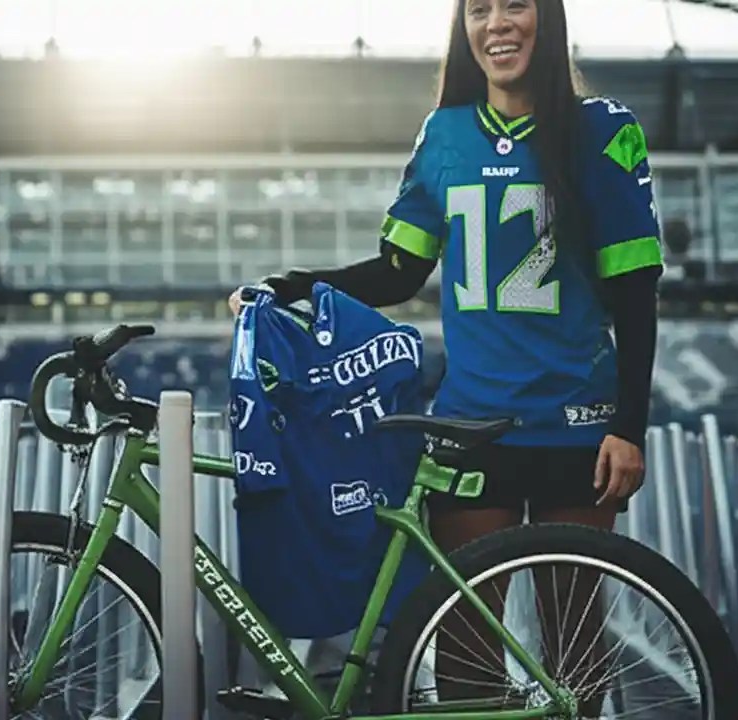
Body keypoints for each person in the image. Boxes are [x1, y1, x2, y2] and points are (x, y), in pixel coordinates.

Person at [229, 0, 662, 714]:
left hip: (578, 424)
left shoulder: (603, 127)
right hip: (471, 421)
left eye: (515, 5)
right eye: (479, 9)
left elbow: (636, 287)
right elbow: (400, 272)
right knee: (464, 644)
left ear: (545, 19)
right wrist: (299, 286)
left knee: (573, 649)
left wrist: (631, 425)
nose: (497, 24)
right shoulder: (445, 133)